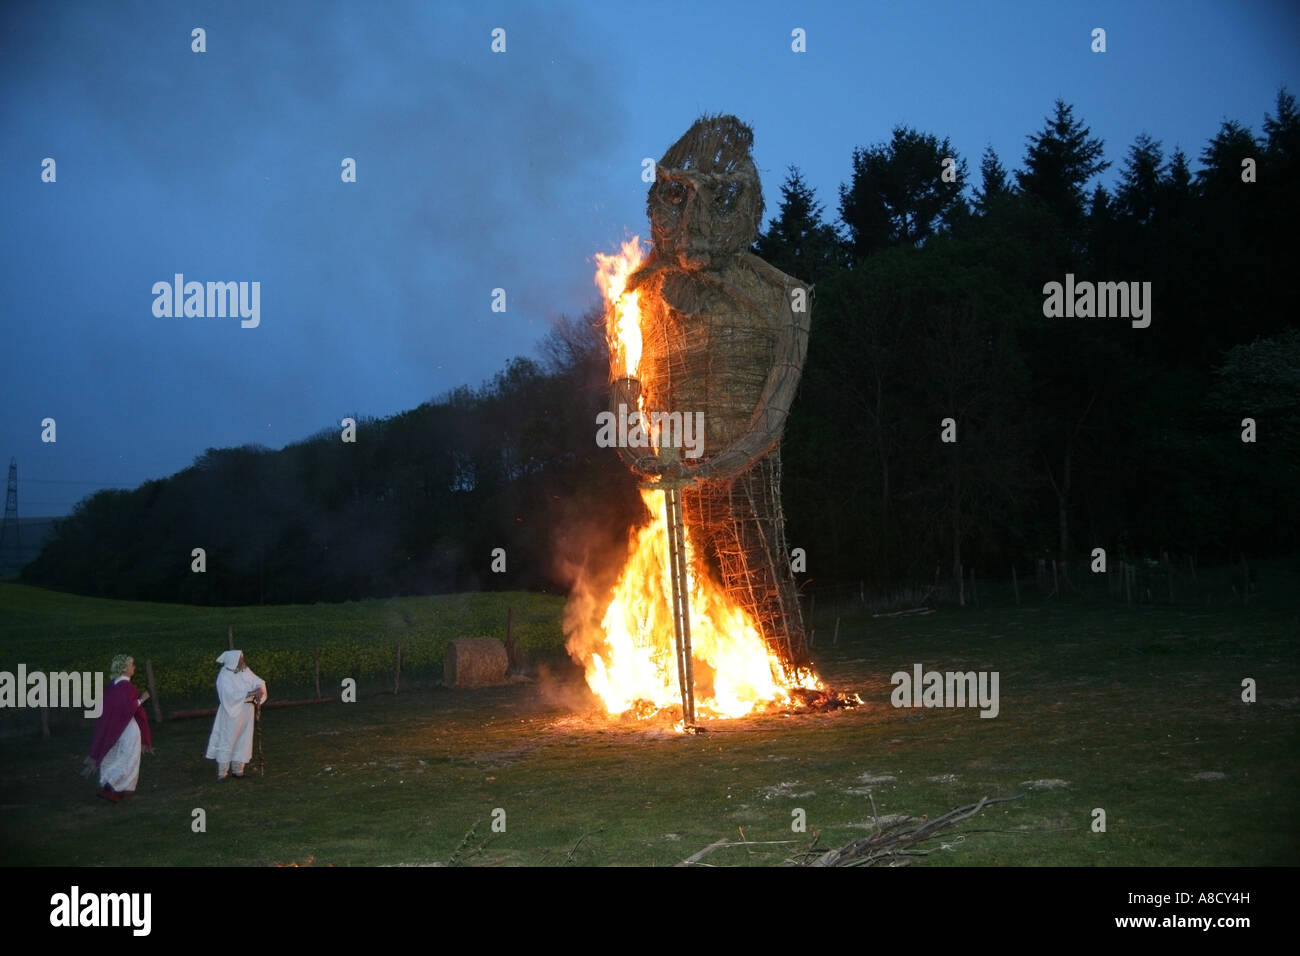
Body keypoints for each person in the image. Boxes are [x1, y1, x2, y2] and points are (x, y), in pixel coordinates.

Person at [82, 654, 153, 802]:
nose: (134, 667)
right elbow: (127, 708)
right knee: (128, 757)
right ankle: (112, 786)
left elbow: (111, 709)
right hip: (127, 728)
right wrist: (141, 700)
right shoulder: (127, 687)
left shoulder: (111, 686)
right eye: (132, 665)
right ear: (125, 668)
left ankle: (112, 785)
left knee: (113, 755)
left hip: (113, 729)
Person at [205, 650, 267, 780]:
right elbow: (228, 695)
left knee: (243, 739)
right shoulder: (224, 676)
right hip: (232, 713)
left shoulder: (245, 670)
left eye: (242, 658)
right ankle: (222, 772)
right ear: (233, 661)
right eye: (240, 659)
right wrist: (249, 693)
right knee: (228, 740)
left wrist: (259, 689)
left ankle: (238, 769)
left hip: (247, 711)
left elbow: (258, 681)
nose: (242, 661)